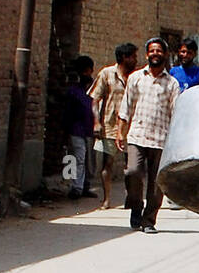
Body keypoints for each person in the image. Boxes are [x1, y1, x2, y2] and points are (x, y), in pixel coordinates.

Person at [119, 36, 179, 232]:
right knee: (133, 172)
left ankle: (148, 220)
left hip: (161, 139)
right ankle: (136, 207)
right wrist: (121, 131)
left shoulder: (172, 83)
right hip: (137, 135)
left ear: (165, 54)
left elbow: (176, 112)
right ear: (147, 54)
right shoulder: (136, 78)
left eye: (159, 51)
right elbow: (126, 105)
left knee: (156, 183)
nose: (155, 54)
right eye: (152, 51)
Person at [90, 42, 138, 210]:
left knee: (131, 167)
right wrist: (96, 122)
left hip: (131, 127)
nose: (135, 60)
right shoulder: (107, 74)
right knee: (108, 163)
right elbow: (95, 99)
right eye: (133, 56)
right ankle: (107, 199)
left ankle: (129, 197)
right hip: (110, 126)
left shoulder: (136, 76)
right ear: (124, 58)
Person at [63, 55, 96, 200]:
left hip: (91, 129)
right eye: (84, 71)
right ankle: (76, 187)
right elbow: (68, 112)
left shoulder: (94, 89)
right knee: (78, 158)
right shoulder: (73, 91)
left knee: (89, 161)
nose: (86, 74)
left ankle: (84, 186)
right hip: (76, 129)